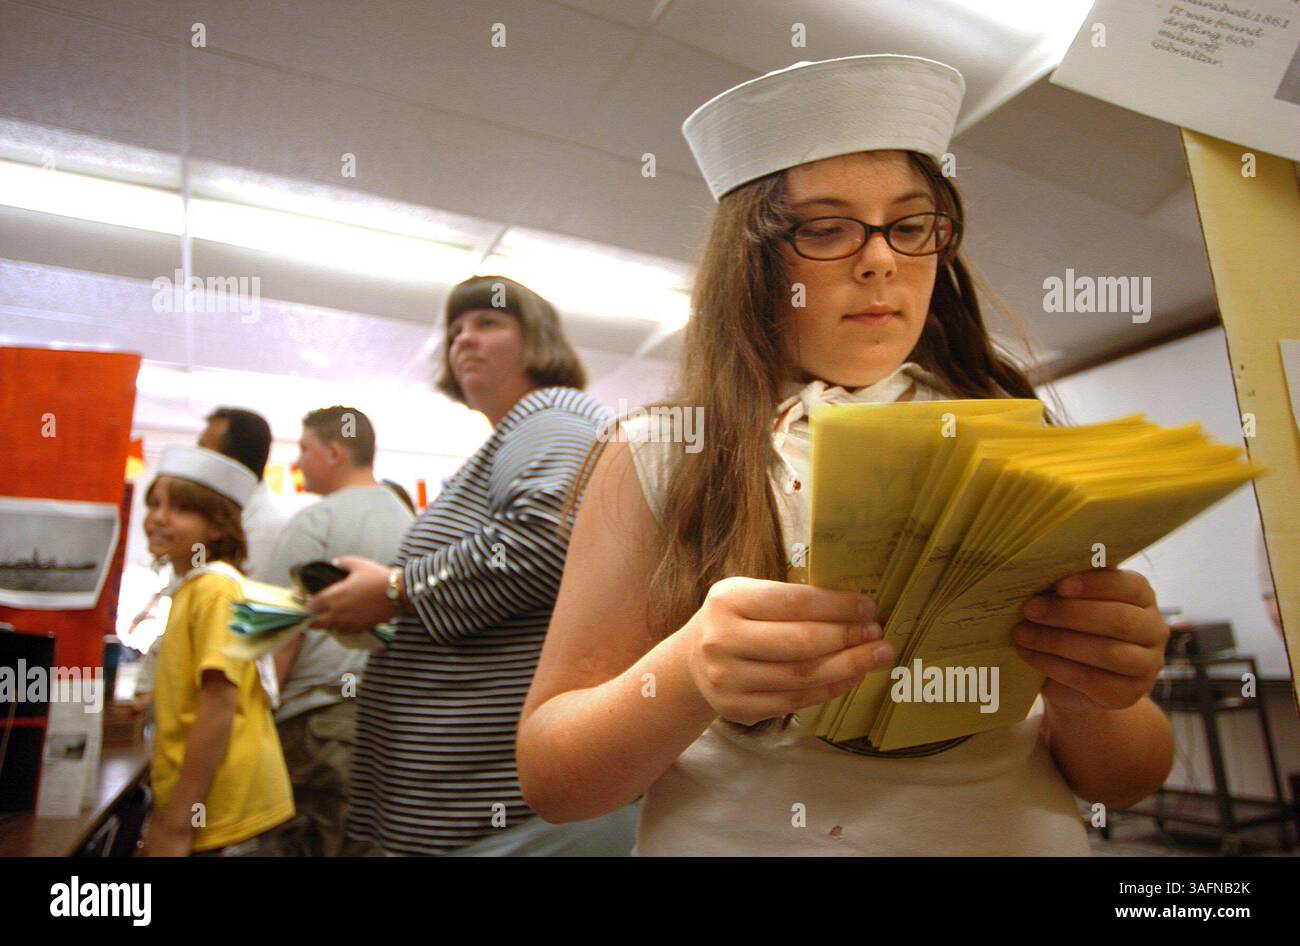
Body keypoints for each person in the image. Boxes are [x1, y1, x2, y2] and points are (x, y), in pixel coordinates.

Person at [515, 55, 1175, 855]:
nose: (880, 260)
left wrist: (1098, 686)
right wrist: (688, 673)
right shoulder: (662, 454)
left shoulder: (1020, 442)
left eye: (909, 225)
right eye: (825, 229)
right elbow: (554, 780)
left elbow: (1124, 779)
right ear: (752, 262)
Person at [307, 275, 638, 856]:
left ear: (536, 340)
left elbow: (544, 538)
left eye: (488, 323)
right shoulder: (514, 437)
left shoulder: (549, 413)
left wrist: (394, 589)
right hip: (472, 801)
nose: (463, 340)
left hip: (496, 808)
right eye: (456, 330)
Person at [261, 407, 413, 856]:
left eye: (304, 449)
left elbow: (279, 638)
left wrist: (254, 721)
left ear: (334, 451)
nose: (298, 461)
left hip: (313, 726)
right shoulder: (415, 524)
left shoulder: (314, 521)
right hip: (386, 722)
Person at [139, 445, 294, 855]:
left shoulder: (215, 588)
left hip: (221, 805)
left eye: (180, 509)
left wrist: (176, 823)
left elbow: (218, 703)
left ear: (217, 527)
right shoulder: (193, 587)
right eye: (154, 503)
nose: (158, 517)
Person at [199, 407, 294, 581]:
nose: (197, 458)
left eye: (204, 449)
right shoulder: (213, 509)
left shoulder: (267, 527)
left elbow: (243, 597)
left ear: (233, 463)